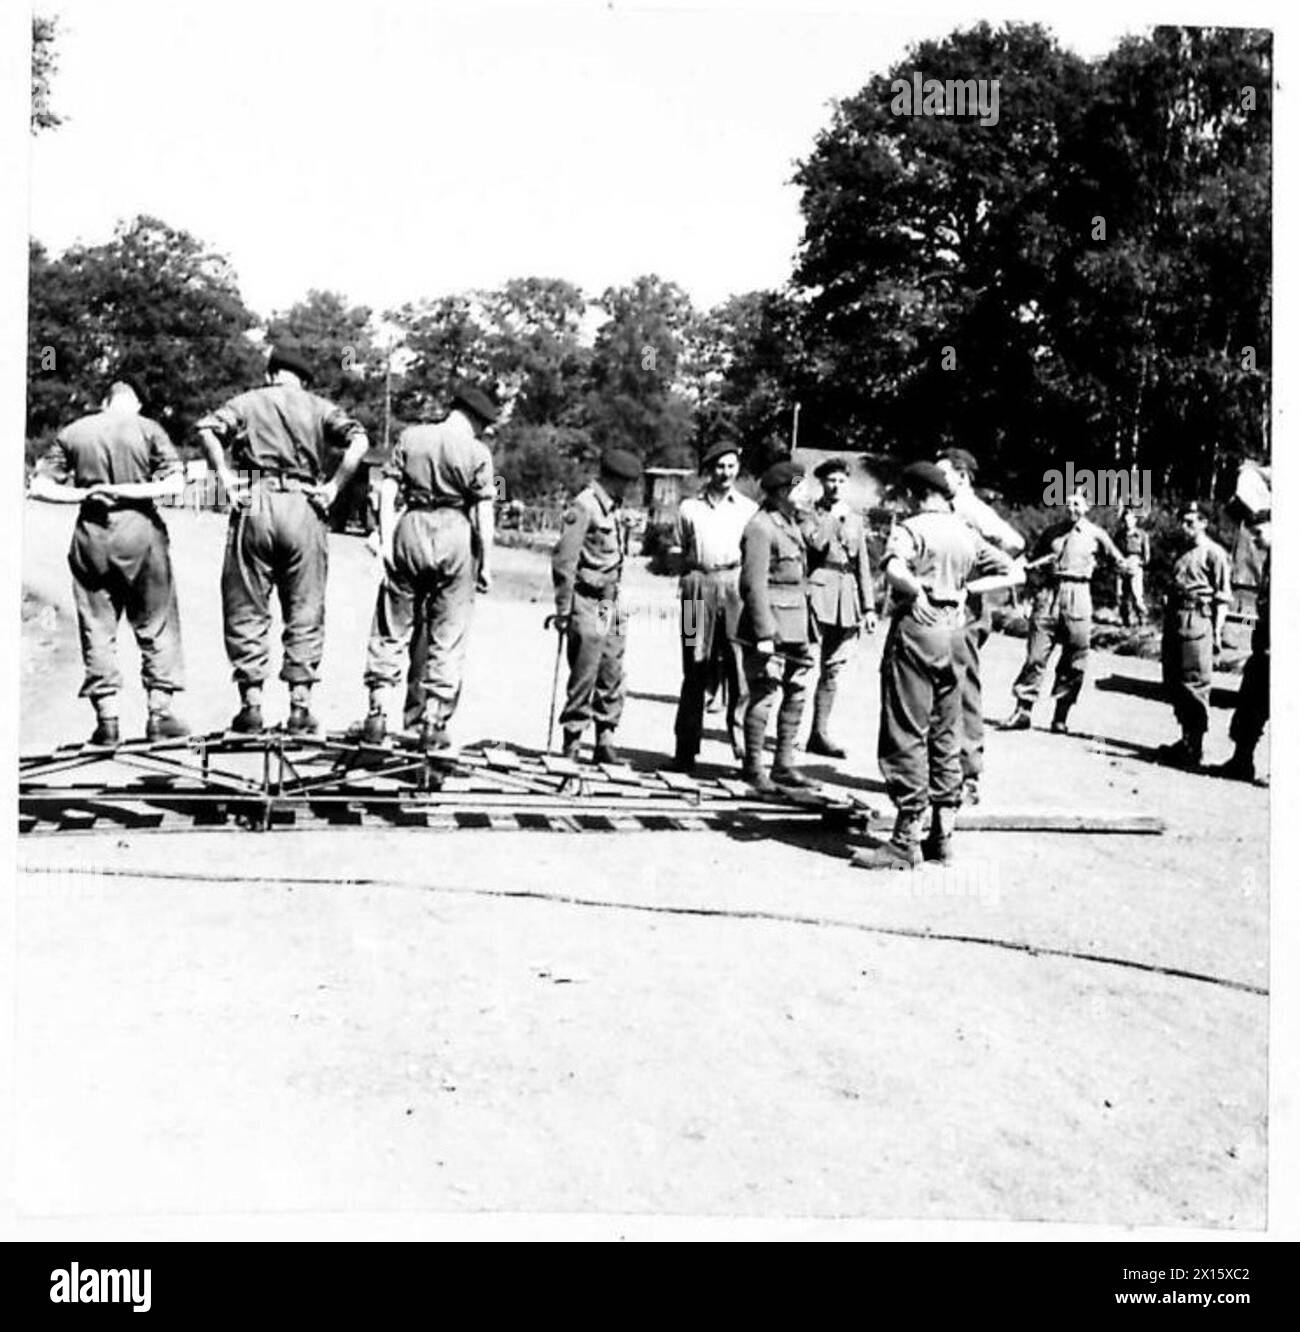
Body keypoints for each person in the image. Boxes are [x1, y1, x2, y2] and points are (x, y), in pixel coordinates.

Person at [197, 345, 369, 734]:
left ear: (272, 373)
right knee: (305, 606)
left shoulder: (247, 401)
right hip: (305, 504)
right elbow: (360, 441)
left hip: (256, 500)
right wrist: (334, 487)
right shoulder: (320, 407)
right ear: (303, 380)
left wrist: (224, 478)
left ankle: (252, 705)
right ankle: (299, 707)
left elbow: (207, 429)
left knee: (246, 604)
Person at [852, 463, 1015, 870]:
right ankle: (942, 834)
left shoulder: (911, 528)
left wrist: (918, 591)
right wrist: (964, 591)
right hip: (955, 633)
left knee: (905, 727)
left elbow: (892, 568)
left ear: (916, 493)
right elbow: (1014, 570)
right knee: (947, 728)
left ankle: (905, 840)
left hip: (918, 629)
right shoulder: (965, 531)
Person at [29, 381, 190, 745]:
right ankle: (159, 716)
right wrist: (128, 490)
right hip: (140, 529)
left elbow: (39, 487)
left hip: (91, 532)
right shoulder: (149, 429)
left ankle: (108, 721)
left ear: (105, 403)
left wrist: (85, 492)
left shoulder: (74, 432)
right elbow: (175, 483)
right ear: (133, 404)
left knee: (97, 626)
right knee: (157, 624)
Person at [361, 385, 498, 751]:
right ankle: (433, 720)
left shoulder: (411, 436)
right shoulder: (477, 452)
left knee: (392, 624)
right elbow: (484, 511)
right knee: (448, 631)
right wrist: (486, 561)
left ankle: (377, 713)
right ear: (476, 419)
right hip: (456, 534)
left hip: (412, 526)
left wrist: (387, 542)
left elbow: (387, 491)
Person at [934, 448, 1024, 803]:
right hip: (943, 605)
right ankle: (942, 771)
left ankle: (968, 775)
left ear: (962, 476)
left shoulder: (970, 508)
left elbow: (1015, 544)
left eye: (944, 475)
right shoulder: (946, 506)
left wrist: (974, 581)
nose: (939, 481)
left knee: (963, 688)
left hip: (966, 610)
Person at [1005, 490, 1131, 734]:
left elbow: (1119, 563)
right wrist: (1029, 597)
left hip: (1079, 594)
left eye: (1077, 504)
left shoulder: (1096, 535)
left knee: (1075, 659)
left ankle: (1060, 716)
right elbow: (1032, 563)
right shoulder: (1051, 533)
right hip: (1049, 595)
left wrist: (1126, 574)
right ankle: (1023, 711)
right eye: (1069, 503)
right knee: (1035, 655)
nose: (1071, 508)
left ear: (1087, 507)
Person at [669, 438, 757, 772]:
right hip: (695, 589)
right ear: (709, 470)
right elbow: (677, 550)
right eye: (719, 466)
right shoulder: (689, 508)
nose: (725, 472)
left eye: (731, 466)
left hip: (734, 587)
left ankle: (746, 751)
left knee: (739, 666)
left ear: (738, 468)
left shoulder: (748, 509)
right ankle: (685, 749)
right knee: (693, 666)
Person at [551, 448, 643, 762]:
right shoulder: (585, 506)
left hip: (609, 601)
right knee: (584, 670)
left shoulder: (614, 508)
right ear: (613, 479)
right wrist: (564, 609)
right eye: (627, 482)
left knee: (612, 666)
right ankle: (572, 741)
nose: (630, 489)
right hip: (586, 599)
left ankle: (605, 738)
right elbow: (565, 560)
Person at [737, 458, 821, 793]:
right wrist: (763, 632)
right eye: (800, 487)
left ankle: (784, 763)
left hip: (797, 621)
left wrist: (809, 514)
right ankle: (754, 767)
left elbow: (819, 546)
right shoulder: (761, 527)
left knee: (797, 689)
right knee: (765, 691)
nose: (806, 493)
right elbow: (752, 584)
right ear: (783, 491)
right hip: (770, 623)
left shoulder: (792, 522)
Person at [804, 457, 876, 759]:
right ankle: (790, 731)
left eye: (841, 481)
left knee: (833, 670)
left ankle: (819, 733)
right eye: (830, 480)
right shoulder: (810, 513)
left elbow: (863, 565)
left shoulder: (856, 518)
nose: (835, 486)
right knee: (802, 665)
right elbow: (815, 546)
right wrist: (833, 518)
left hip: (847, 599)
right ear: (821, 483)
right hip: (818, 592)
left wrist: (869, 607)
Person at [1157, 503, 1232, 769]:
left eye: (1190, 521)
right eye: (1183, 521)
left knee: (1195, 682)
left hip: (1198, 620)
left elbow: (1222, 598)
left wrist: (1217, 632)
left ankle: (1195, 747)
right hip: (1175, 619)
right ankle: (1185, 739)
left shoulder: (1215, 553)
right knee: (1174, 680)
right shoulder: (1182, 553)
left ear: (1203, 522)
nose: (1184, 526)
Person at [1217, 521, 1269, 782]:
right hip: (1264, 651)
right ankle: (1241, 762)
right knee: (1249, 707)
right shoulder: (1270, 562)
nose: (1254, 540)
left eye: (1259, 533)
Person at [1114, 507, 1151, 626]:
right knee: (1121, 595)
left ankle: (1142, 618)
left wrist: (1140, 563)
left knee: (1137, 595)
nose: (1128, 522)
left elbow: (1146, 555)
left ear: (1135, 520)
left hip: (1135, 564)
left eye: (1130, 519)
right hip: (1122, 564)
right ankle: (1126, 621)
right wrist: (1118, 563)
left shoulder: (1141, 535)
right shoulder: (1119, 535)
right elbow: (1114, 550)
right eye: (1125, 520)